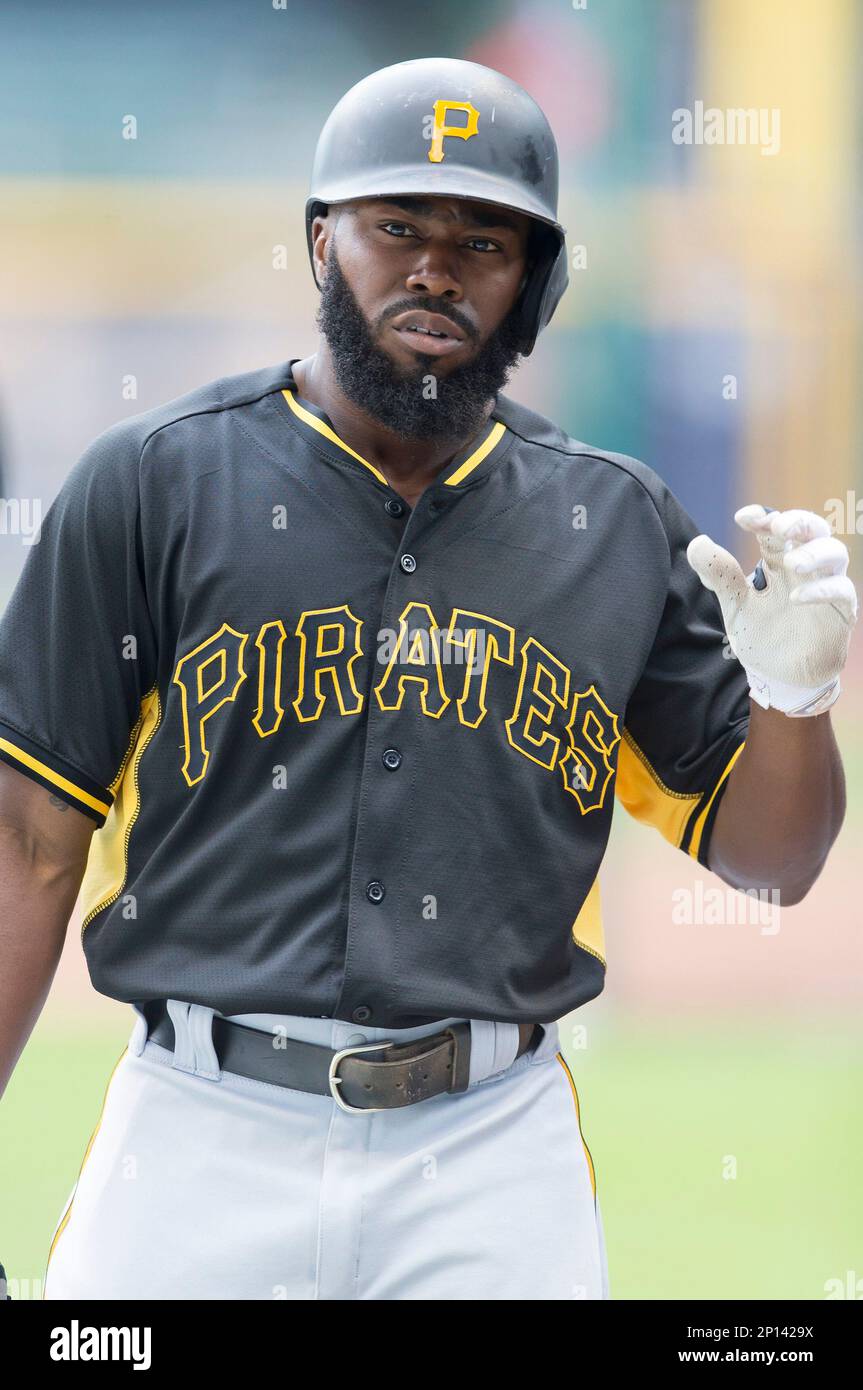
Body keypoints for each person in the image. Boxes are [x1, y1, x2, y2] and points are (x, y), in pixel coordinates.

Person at [0, 58, 855, 1301]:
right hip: (196, 1131)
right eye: (393, 224)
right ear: (317, 243)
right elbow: (28, 843)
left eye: (484, 240)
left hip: (489, 1153)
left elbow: (770, 864)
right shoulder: (154, 484)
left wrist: (794, 702)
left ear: (537, 286)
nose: (434, 267)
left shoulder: (617, 527)